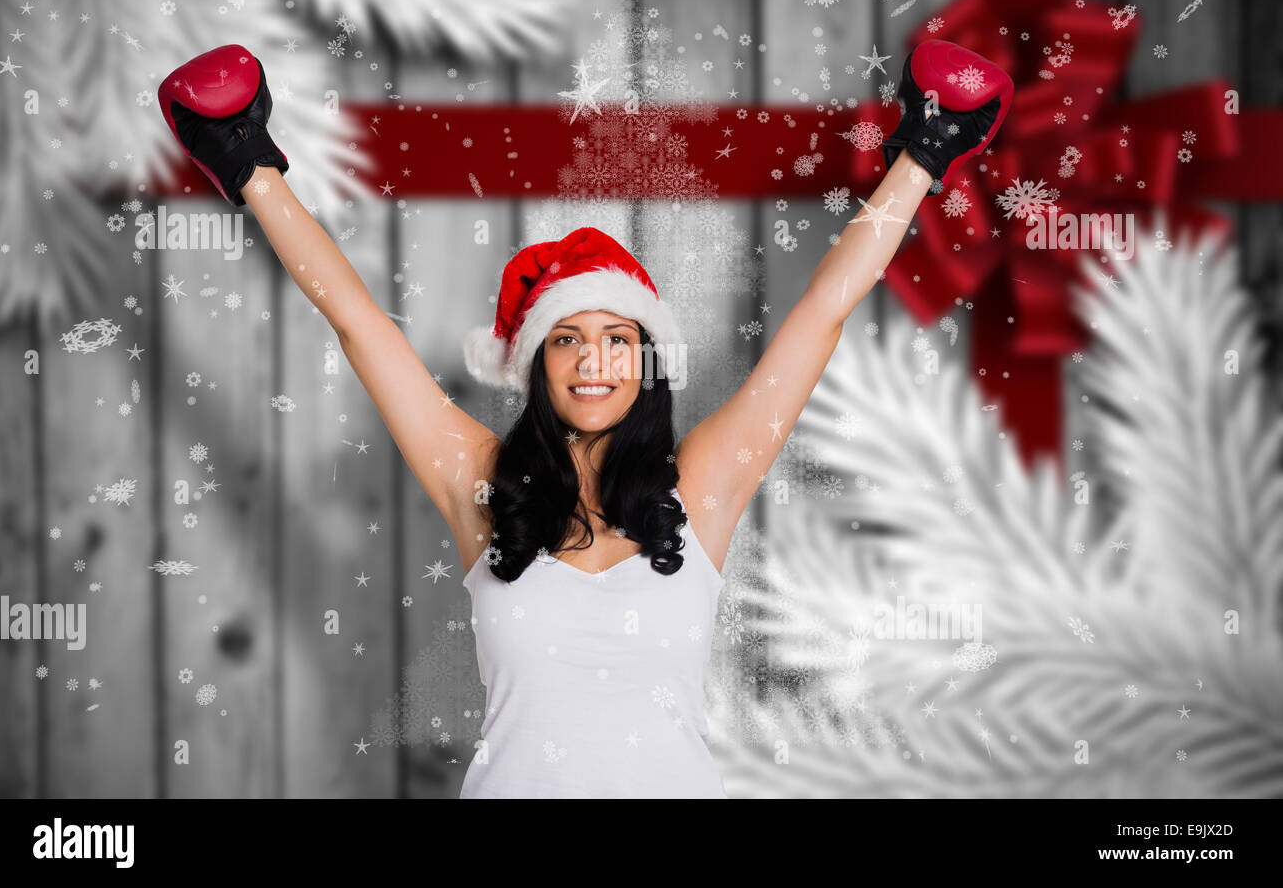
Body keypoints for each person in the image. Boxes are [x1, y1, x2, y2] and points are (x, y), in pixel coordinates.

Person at [157, 39, 1013, 798]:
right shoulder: (481, 485)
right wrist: (250, 165)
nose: (592, 360)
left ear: (646, 358)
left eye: (615, 338)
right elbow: (359, 324)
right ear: (536, 364)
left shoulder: (702, 488)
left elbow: (821, 314)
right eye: (565, 339)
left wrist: (922, 154)